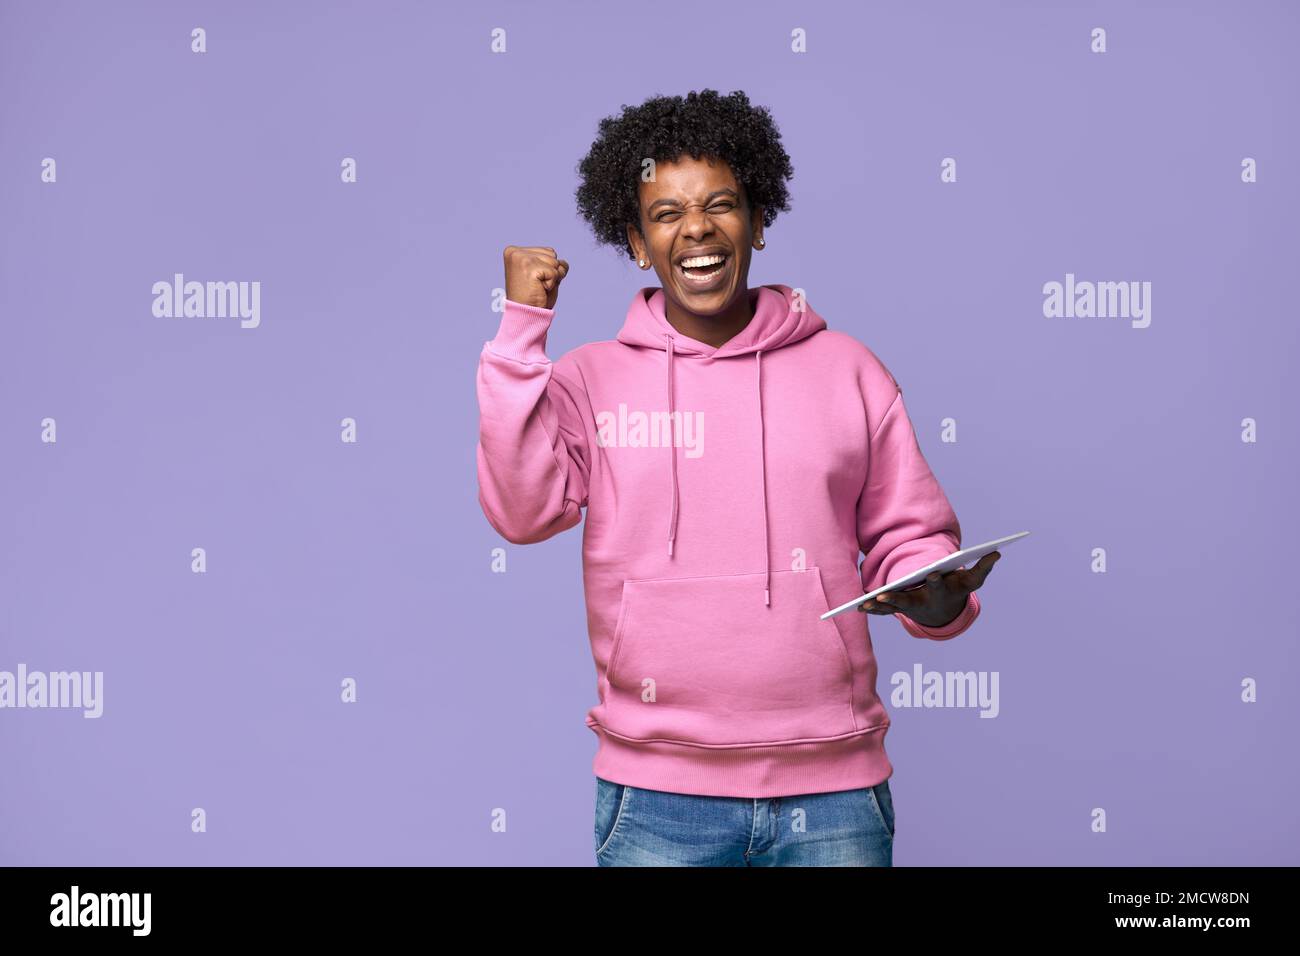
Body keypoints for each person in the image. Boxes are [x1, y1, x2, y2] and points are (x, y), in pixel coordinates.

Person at [475, 89, 999, 866]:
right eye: (665, 213)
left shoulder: (847, 370)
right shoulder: (590, 381)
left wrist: (938, 591)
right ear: (635, 239)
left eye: (722, 204)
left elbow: (908, 537)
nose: (697, 229)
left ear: (757, 221)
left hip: (833, 794)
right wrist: (521, 330)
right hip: (657, 798)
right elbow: (522, 512)